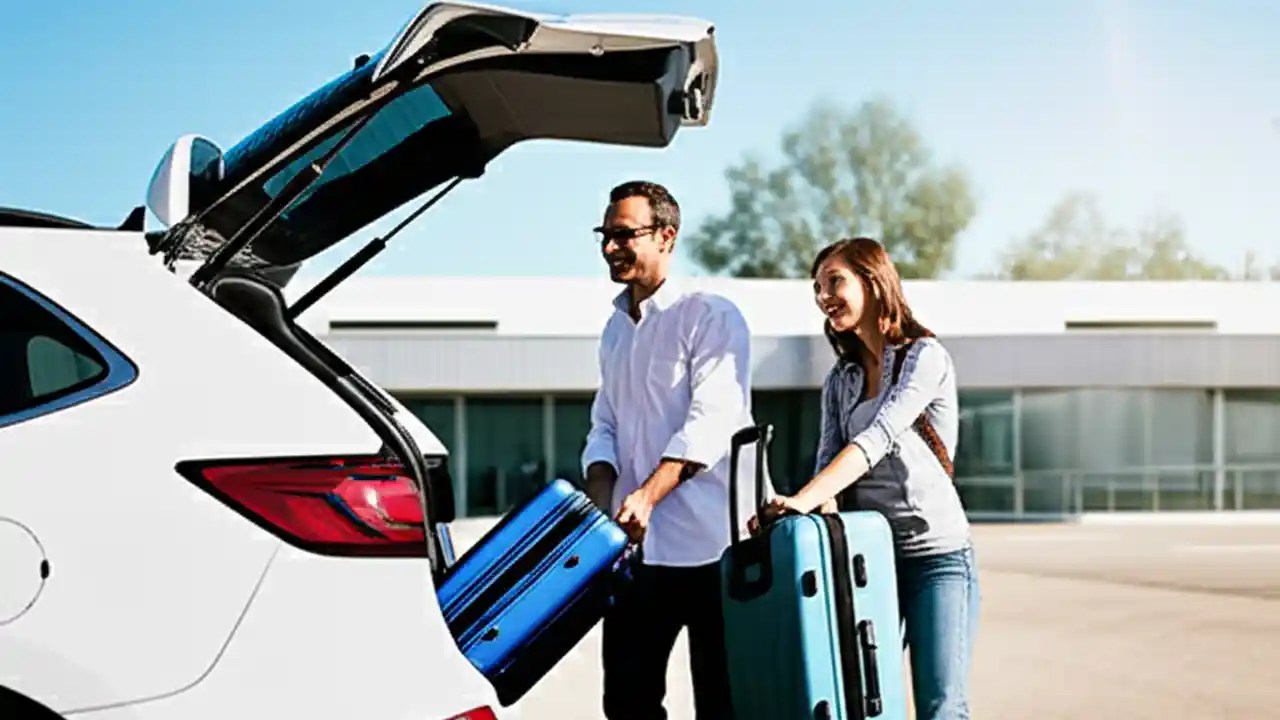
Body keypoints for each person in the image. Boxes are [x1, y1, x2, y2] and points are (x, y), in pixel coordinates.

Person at [752, 237, 980, 720]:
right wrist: (805, 514)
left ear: (874, 280)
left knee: (940, 707)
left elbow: (876, 439)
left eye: (835, 281)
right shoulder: (842, 379)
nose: (823, 295)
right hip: (869, 561)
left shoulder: (924, 357)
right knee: (859, 701)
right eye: (817, 287)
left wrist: (803, 498)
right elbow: (828, 463)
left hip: (936, 557)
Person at [581, 180, 757, 720]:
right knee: (628, 706)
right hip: (637, 557)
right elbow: (604, 423)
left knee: (723, 706)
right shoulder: (615, 330)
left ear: (666, 237)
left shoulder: (709, 317)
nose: (611, 247)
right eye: (604, 235)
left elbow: (711, 422)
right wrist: (602, 501)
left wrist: (649, 495)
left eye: (623, 234)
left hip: (715, 551)